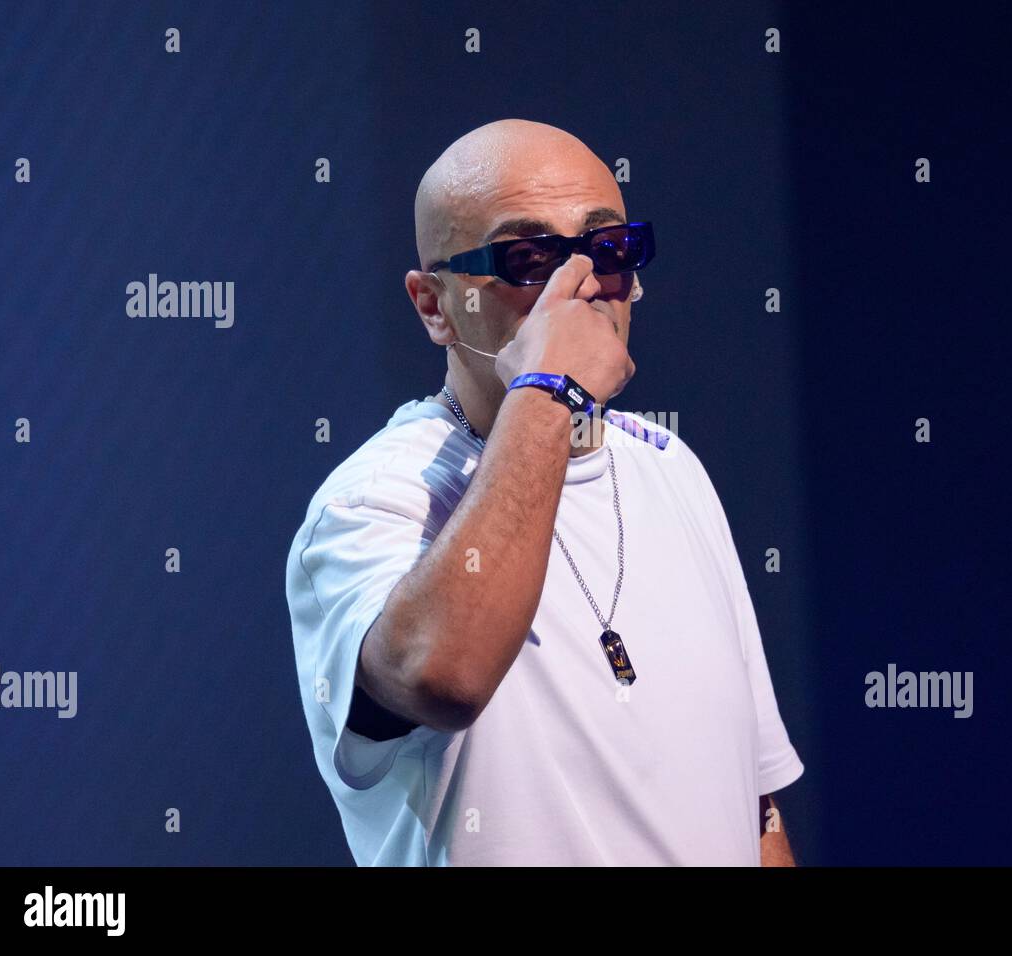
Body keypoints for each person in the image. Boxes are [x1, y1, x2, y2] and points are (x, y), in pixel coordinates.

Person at [285, 118, 804, 865]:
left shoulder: (672, 467)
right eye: (528, 258)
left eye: (608, 249)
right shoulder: (376, 496)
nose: (583, 283)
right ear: (435, 305)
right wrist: (548, 389)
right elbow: (446, 676)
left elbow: (755, 810)